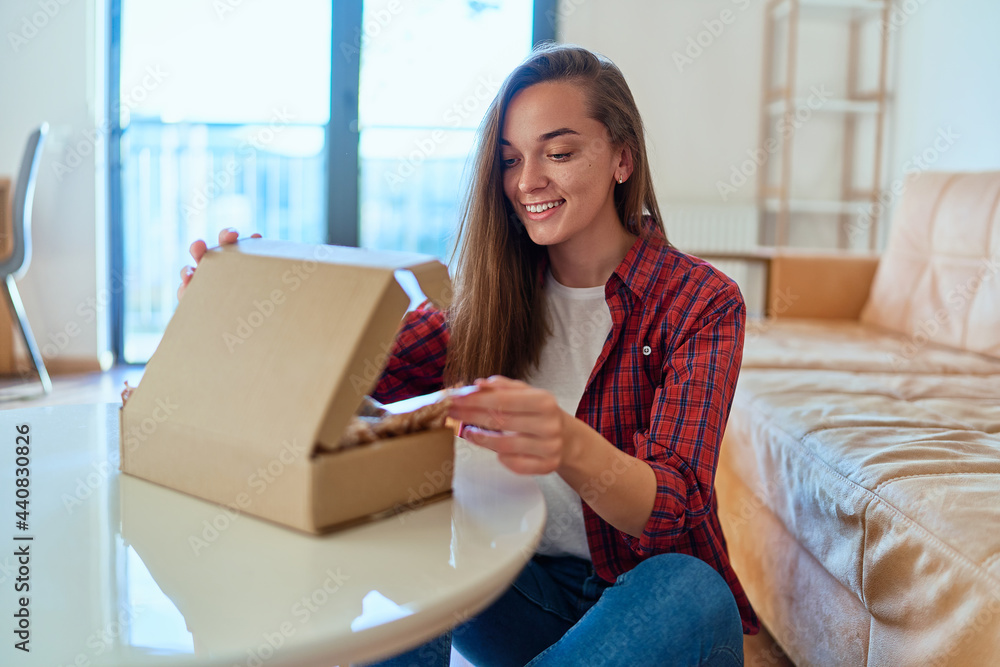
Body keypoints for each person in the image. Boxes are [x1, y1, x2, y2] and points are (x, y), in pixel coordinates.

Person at [180, 43, 758, 667]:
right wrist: (245, 311)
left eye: (558, 153)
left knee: (694, 591)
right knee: (401, 518)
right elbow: (345, 370)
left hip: (647, 611)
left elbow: (670, 508)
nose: (528, 181)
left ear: (623, 158)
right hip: (518, 600)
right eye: (510, 160)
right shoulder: (493, 296)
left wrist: (568, 444)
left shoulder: (701, 302)